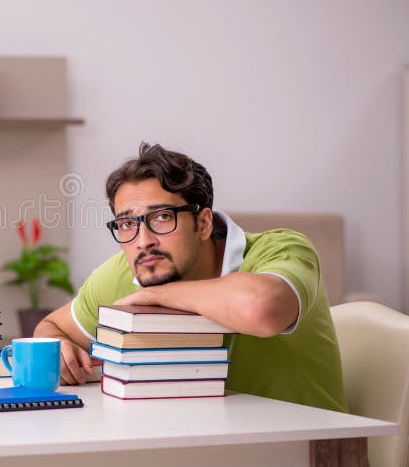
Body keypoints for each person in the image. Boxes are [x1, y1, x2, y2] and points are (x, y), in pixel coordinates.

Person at [35, 142, 349, 412]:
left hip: (307, 450)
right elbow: (49, 326)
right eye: (127, 224)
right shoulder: (128, 270)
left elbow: (262, 311)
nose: (143, 241)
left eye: (161, 217)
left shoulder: (281, 249)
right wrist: (59, 347)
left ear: (203, 223)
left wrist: (160, 294)